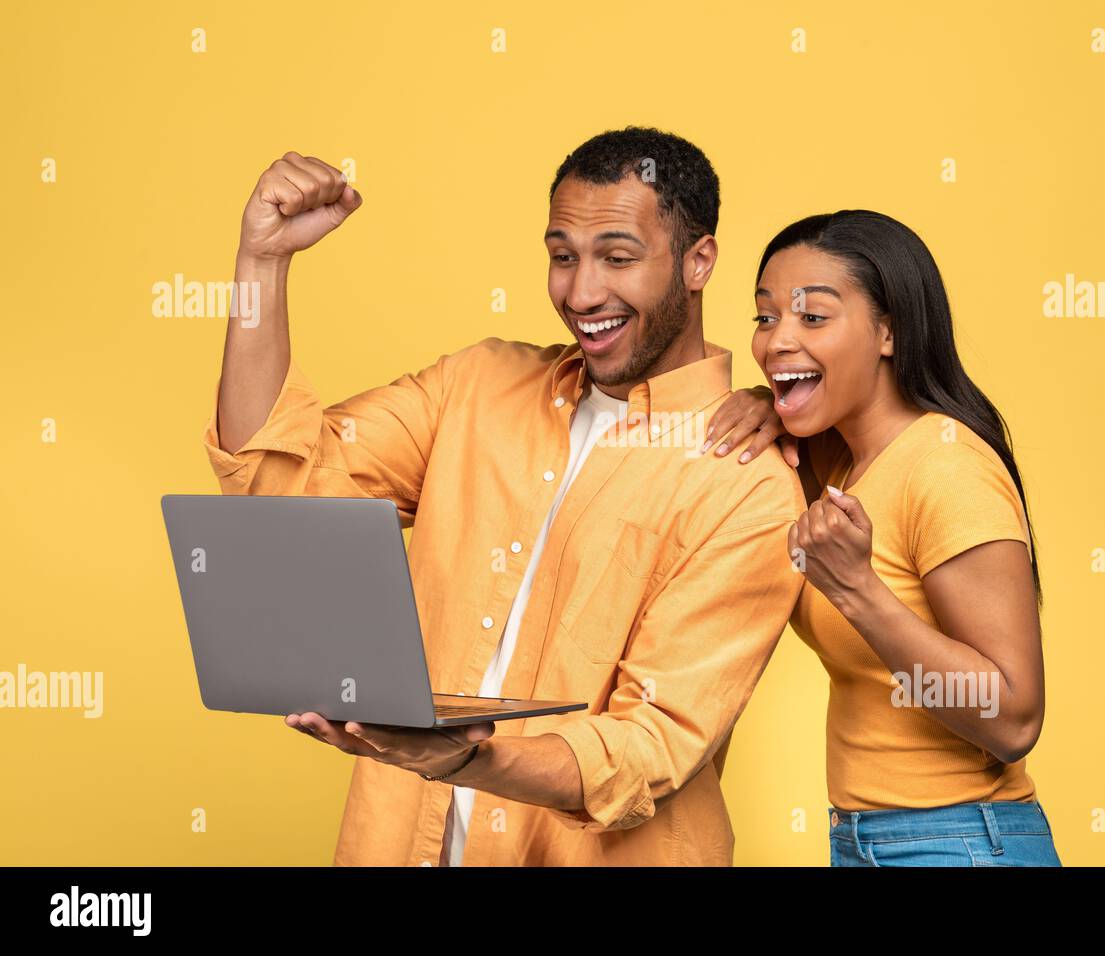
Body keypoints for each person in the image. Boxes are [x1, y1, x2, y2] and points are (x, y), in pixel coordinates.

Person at [202, 127, 805, 866]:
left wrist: (460, 759)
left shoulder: (750, 485)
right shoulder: (477, 388)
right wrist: (262, 262)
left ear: (697, 260)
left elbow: (649, 745)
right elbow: (278, 490)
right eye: (562, 257)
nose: (582, 293)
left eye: (618, 257)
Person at [705, 210, 1062, 866]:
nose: (778, 339)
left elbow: (1014, 718)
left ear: (889, 331)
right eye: (765, 316)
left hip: (957, 843)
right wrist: (767, 401)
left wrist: (860, 590)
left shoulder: (945, 466)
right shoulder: (835, 463)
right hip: (865, 842)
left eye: (812, 317)